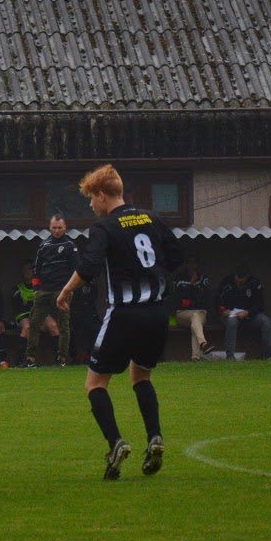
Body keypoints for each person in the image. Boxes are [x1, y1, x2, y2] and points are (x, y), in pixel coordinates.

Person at [57, 164, 183, 481]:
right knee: (141, 376)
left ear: (102, 195)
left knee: (95, 383)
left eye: (90, 198)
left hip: (125, 314)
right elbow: (177, 255)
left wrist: (66, 291)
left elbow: (89, 266)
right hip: (157, 314)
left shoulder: (105, 228)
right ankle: (154, 437)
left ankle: (116, 444)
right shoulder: (150, 218)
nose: (90, 205)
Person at [24, 214, 77, 367]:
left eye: (60, 228)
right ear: (50, 227)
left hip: (62, 291)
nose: (57, 231)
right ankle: (30, 359)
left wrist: (70, 290)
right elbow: (36, 269)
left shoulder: (70, 246)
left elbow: (76, 271)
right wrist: (36, 289)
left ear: (65, 228)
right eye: (54, 228)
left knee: (63, 325)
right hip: (44, 291)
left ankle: (61, 359)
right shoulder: (44, 245)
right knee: (34, 323)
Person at [217, 263, 271, 360]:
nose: (239, 281)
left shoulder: (254, 283)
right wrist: (222, 311)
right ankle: (230, 357)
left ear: (247, 276)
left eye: (242, 279)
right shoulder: (227, 282)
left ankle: (268, 357)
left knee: (265, 321)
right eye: (237, 278)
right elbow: (217, 300)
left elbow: (260, 305)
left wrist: (248, 312)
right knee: (232, 322)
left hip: (249, 316)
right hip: (230, 315)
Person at [171, 255, 213, 359]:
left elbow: (205, 299)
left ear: (197, 264)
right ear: (186, 264)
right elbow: (177, 299)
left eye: (194, 263)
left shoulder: (203, 279)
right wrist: (191, 285)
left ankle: (196, 357)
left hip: (200, 313)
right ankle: (203, 344)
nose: (191, 265)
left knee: (195, 322)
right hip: (183, 314)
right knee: (195, 319)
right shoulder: (179, 279)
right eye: (189, 263)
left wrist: (193, 288)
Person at [11, 261, 36, 364]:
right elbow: (19, 306)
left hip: (38, 315)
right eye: (24, 270)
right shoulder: (17, 288)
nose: (27, 272)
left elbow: (44, 303)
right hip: (23, 316)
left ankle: (60, 360)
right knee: (27, 327)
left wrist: (28, 302)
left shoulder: (39, 286)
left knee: (52, 324)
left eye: (29, 269)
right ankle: (20, 360)